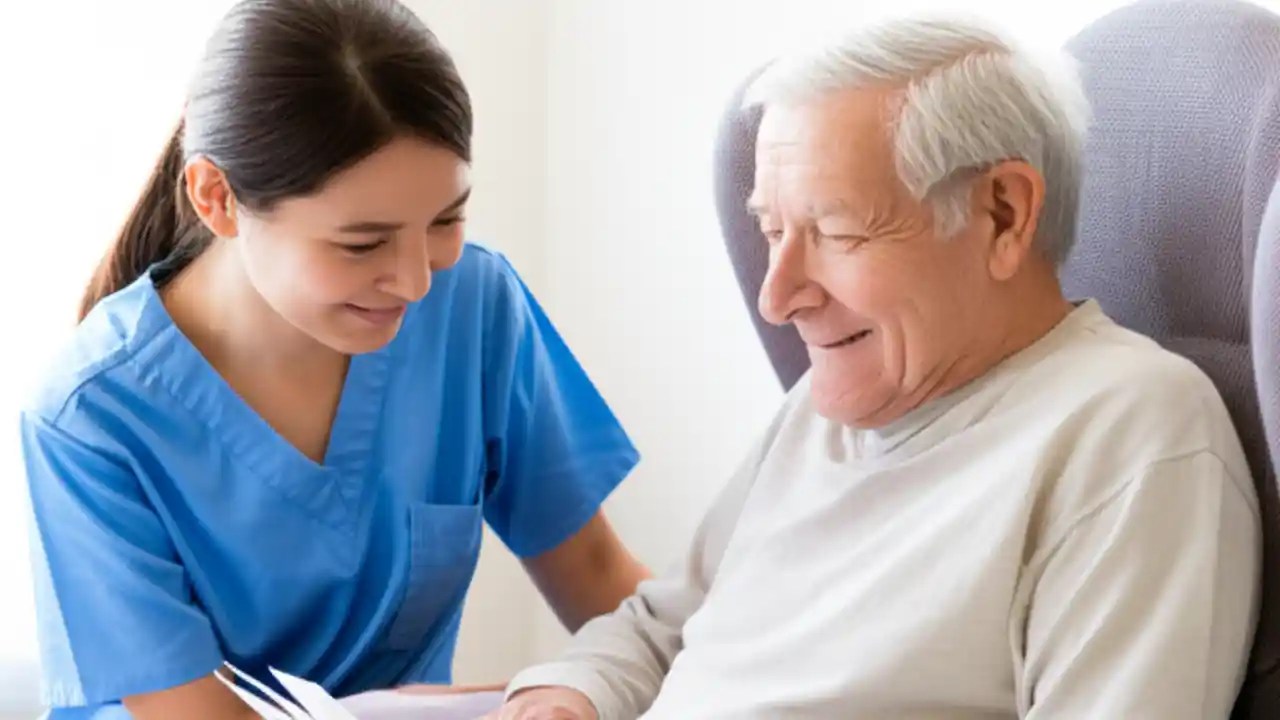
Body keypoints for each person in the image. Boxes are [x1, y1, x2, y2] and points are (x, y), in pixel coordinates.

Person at [492, 14, 1261, 720]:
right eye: (771, 230)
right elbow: (659, 629)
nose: (777, 296)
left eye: (833, 231)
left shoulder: (1129, 435)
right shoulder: (824, 407)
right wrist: (569, 696)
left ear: (1003, 213)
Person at [20, 1, 648, 718]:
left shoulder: (473, 304)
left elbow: (601, 580)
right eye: (362, 244)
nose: (415, 281)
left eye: (445, 219)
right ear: (216, 198)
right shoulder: (88, 416)